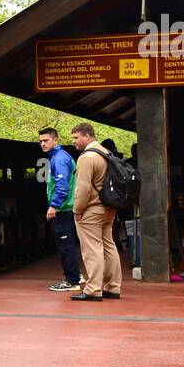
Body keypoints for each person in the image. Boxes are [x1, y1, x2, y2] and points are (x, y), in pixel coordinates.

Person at [70, 123, 121, 301]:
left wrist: (77, 210)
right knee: (109, 246)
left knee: (92, 250)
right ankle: (113, 287)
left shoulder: (86, 158)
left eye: (76, 138)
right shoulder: (107, 153)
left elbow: (83, 189)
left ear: (87, 136)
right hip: (109, 207)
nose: (74, 141)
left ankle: (93, 289)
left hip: (91, 210)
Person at [39, 127, 82, 292]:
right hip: (66, 208)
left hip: (64, 209)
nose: (43, 144)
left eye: (46, 140)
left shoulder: (59, 159)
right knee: (68, 243)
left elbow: (62, 186)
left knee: (66, 245)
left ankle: (72, 280)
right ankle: (75, 275)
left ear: (55, 140)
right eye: (41, 141)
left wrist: (54, 205)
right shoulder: (59, 157)